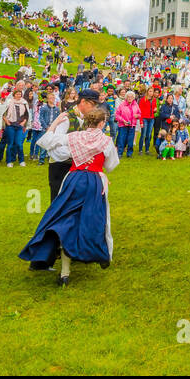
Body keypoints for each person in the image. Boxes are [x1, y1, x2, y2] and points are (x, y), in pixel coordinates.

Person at [20, 108, 120, 285]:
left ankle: (64, 272)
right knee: (94, 220)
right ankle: (97, 254)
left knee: (66, 221)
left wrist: (56, 122)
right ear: (102, 123)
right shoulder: (106, 141)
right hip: (94, 182)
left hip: (74, 180)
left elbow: (47, 141)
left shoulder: (75, 136)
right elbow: (111, 165)